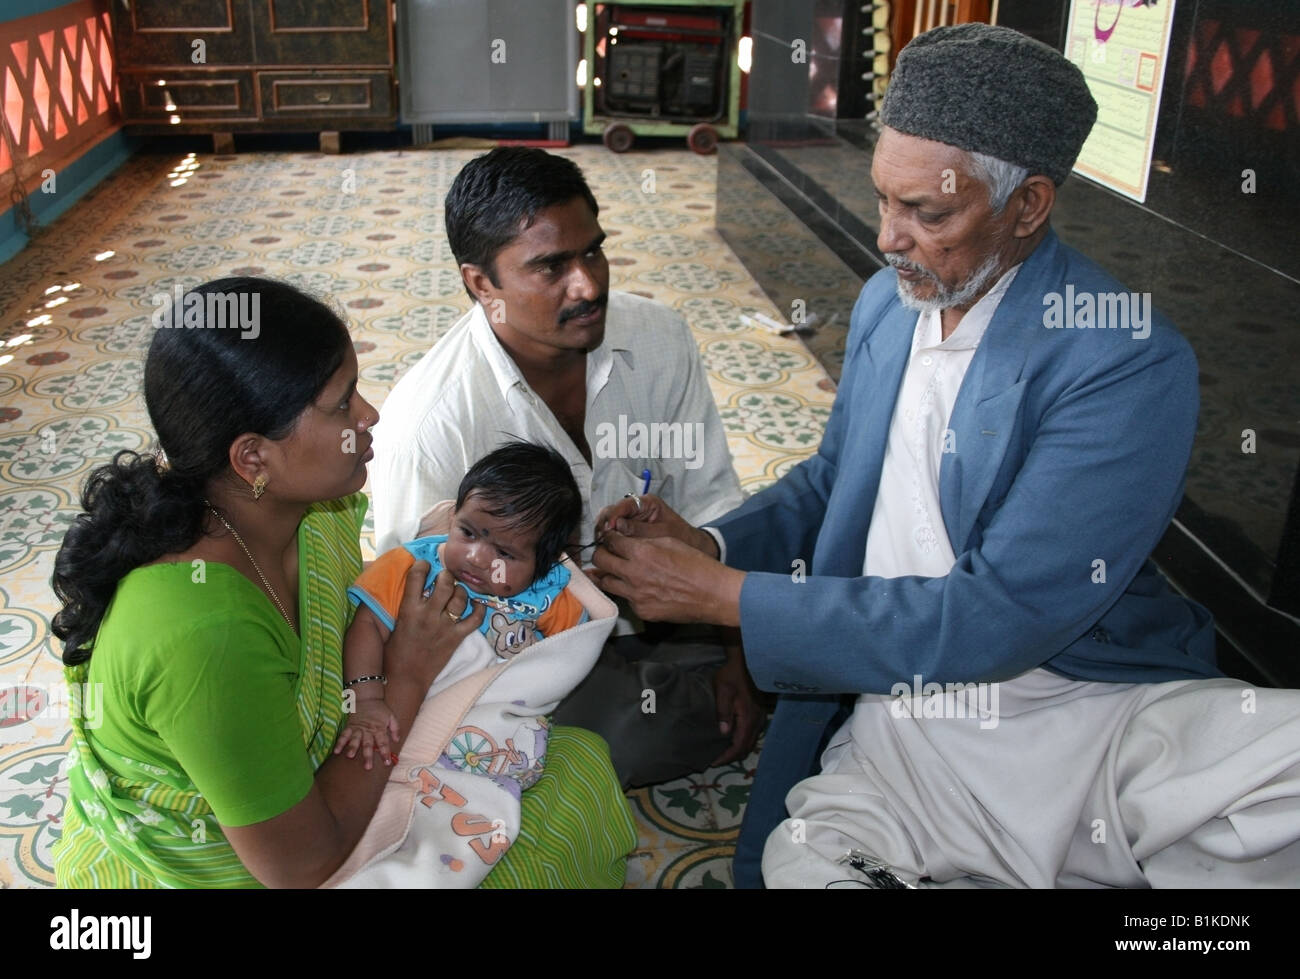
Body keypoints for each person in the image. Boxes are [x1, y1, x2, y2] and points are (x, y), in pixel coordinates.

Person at [591, 24, 1300, 888]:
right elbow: (831, 484)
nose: (889, 236)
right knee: (802, 864)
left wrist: (731, 600)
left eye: (927, 213)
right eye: (885, 199)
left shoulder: (1123, 359)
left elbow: (999, 615)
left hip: (1079, 705)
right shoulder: (892, 307)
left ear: (1028, 206)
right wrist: (714, 548)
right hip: (905, 721)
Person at [49, 277, 636, 889]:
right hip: (232, 868)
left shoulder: (309, 515)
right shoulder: (205, 635)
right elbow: (301, 867)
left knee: (578, 764)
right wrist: (408, 674)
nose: (371, 415)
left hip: (333, 779)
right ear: (253, 459)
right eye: (342, 403)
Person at [369, 146, 761, 786]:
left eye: (593, 251)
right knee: (623, 740)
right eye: (550, 267)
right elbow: (411, 613)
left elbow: (714, 501)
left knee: (805, 591)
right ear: (480, 283)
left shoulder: (659, 337)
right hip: (520, 653)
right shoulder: (431, 422)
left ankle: (712, 678)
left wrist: (740, 655)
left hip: (666, 607)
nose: (588, 285)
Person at [337, 440, 588, 768]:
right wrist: (366, 703)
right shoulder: (414, 566)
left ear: (545, 563)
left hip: (490, 725)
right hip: (406, 708)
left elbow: (568, 658)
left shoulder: (549, 594)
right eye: (468, 533)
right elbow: (365, 624)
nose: (476, 558)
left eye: (504, 553)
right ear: (454, 514)